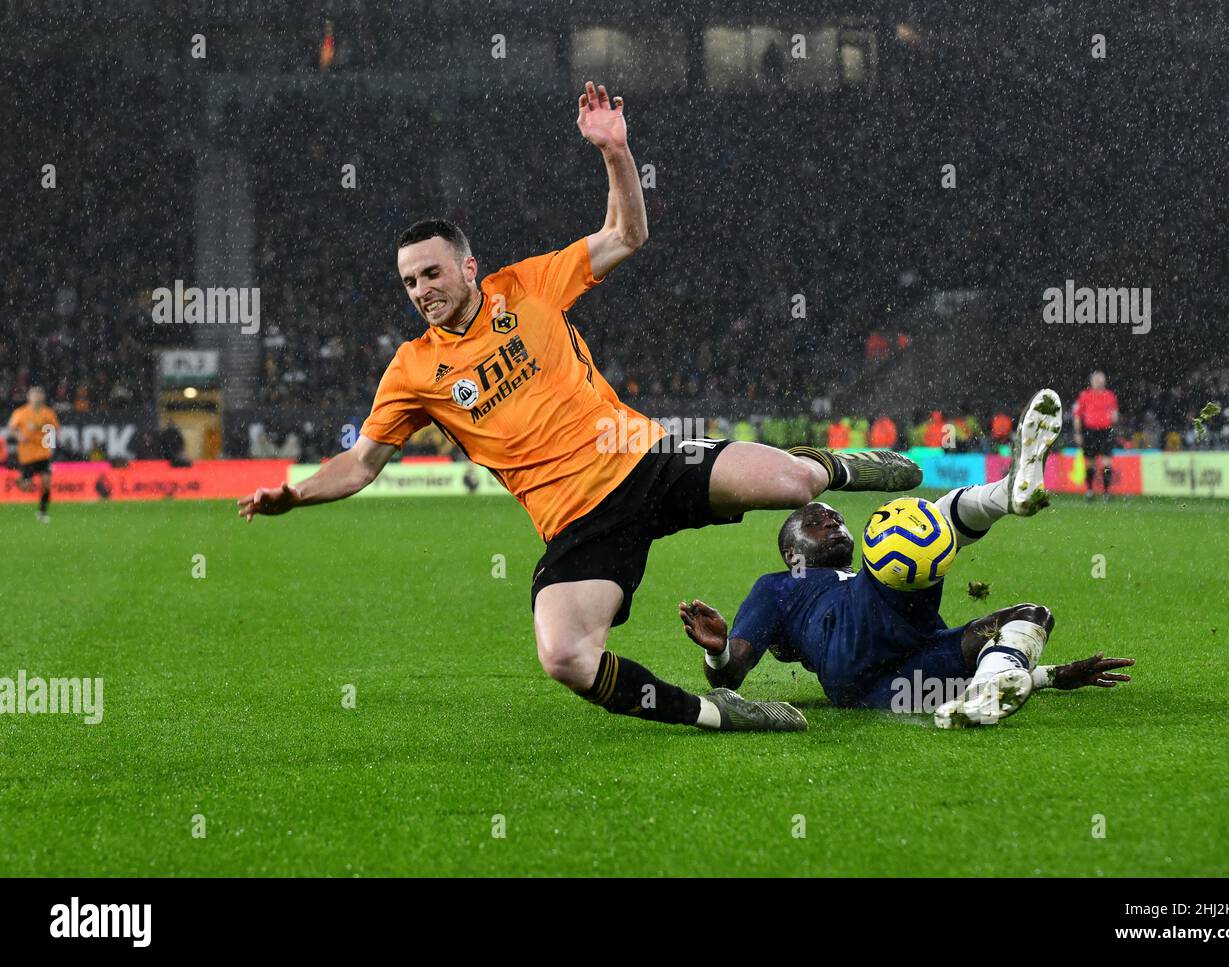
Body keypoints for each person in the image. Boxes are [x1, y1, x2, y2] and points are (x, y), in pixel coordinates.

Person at [237, 82, 921, 734]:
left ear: (468, 267)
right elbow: (361, 464)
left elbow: (626, 234)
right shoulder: (413, 370)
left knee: (797, 482)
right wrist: (292, 495)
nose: (421, 289)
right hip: (578, 521)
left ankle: (847, 466)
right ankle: (718, 712)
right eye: (410, 280)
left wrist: (614, 150)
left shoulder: (528, 286)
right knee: (563, 654)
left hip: (645, 457)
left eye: (432, 272)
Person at [678, 389, 1134, 728]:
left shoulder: (877, 576)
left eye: (837, 518)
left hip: (886, 681)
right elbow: (732, 674)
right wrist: (717, 652)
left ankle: (986, 693)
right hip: (847, 640)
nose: (835, 523)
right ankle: (1006, 494)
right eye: (818, 520)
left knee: (1030, 617)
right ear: (791, 550)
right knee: (912, 527)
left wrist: (1052, 677)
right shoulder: (780, 585)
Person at [6, 386, 59, 523]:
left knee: (46, 483)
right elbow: (11, 429)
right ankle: (21, 481)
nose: (37, 397)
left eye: (39, 394)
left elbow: (56, 430)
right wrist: (19, 436)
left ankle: (41, 513)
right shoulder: (21, 413)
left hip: (43, 454)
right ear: (29, 397)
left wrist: (50, 440)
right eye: (34, 394)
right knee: (26, 487)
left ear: (43, 397)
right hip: (27, 456)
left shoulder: (48, 413)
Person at [1072, 370, 1119, 501]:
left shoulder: (1110, 396)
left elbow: (1115, 415)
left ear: (1104, 381)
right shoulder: (1085, 396)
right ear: (1092, 381)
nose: (1099, 381)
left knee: (1106, 463)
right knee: (1090, 463)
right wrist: (1077, 433)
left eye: (1101, 379)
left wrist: (1113, 420)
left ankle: (1106, 492)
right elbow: (1077, 416)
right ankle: (1089, 491)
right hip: (1090, 432)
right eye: (1096, 379)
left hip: (1105, 432)